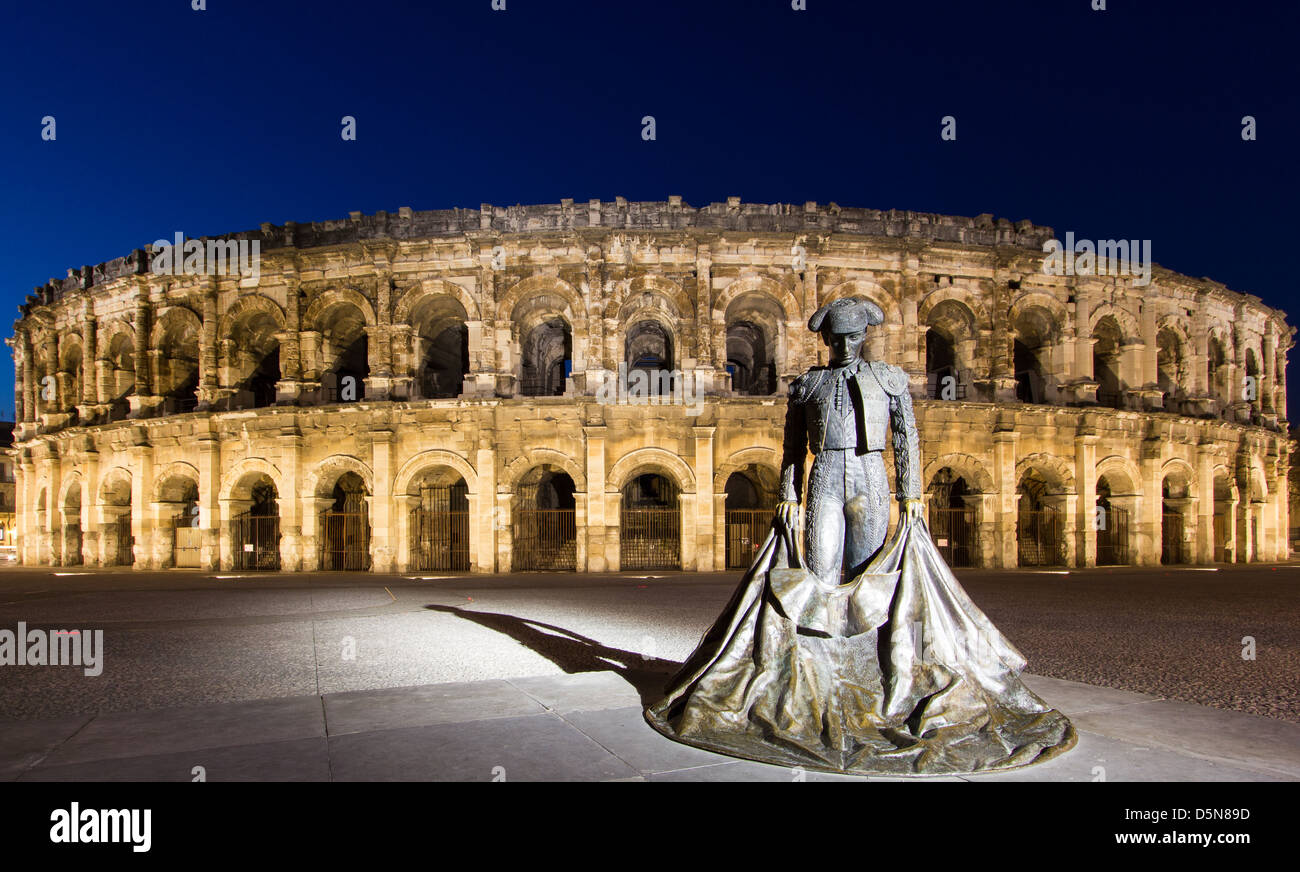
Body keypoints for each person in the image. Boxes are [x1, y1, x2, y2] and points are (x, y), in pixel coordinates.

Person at [645, 297, 1077, 776]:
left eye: (853, 337)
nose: (846, 345)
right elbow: (792, 445)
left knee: (869, 574)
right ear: (826, 340)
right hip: (826, 474)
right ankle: (817, 674)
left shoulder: (889, 378)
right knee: (820, 570)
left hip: (871, 474)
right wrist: (788, 493)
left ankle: (869, 676)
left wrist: (911, 492)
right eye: (837, 338)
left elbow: (907, 436)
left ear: (864, 336)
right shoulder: (808, 384)